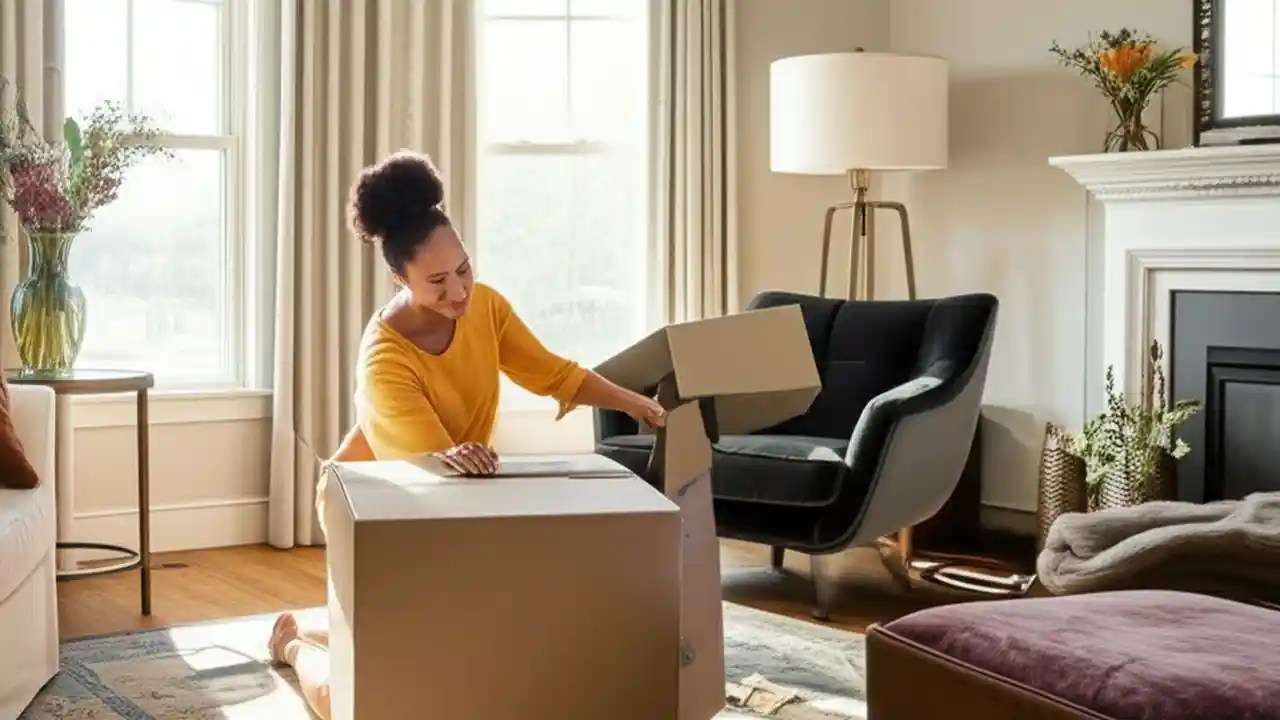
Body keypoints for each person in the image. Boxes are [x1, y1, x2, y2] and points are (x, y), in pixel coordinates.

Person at [266, 150, 667, 719]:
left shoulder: (485, 308)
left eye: (464, 268)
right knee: (363, 704)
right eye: (437, 281)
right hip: (372, 498)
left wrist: (637, 404)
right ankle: (293, 643)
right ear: (399, 279)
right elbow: (426, 469)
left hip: (448, 493)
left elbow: (554, 373)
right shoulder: (383, 359)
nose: (459, 292)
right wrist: (455, 459)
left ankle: (335, 625)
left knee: (467, 652)